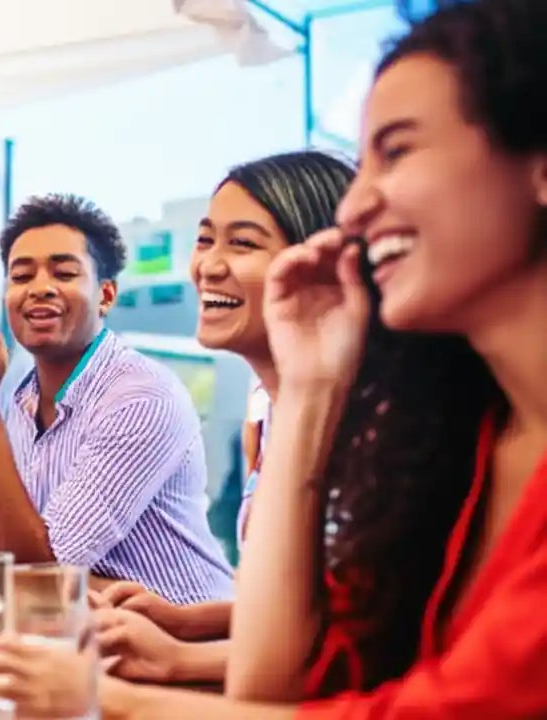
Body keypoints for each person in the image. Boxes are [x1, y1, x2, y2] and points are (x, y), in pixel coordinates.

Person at [0, 1, 547, 717]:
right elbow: (299, 668)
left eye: (398, 151)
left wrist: (118, 697)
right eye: (205, 240)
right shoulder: (458, 439)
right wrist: (310, 389)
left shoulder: (148, 394)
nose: (359, 206)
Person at [89, 151, 357, 687]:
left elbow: (359, 639)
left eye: (243, 243)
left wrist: (177, 658)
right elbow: (312, 597)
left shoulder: (360, 429)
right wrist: (187, 620)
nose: (209, 264)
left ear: (321, 263)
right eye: (206, 238)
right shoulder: (271, 419)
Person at [0, 193, 233, 603]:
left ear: (106, 296)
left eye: (63, 273)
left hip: (186, 645)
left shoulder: (141, 397)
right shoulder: (20, 399)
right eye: (21, 276)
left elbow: (34, 574)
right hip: (82, 636)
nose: (39, 288)